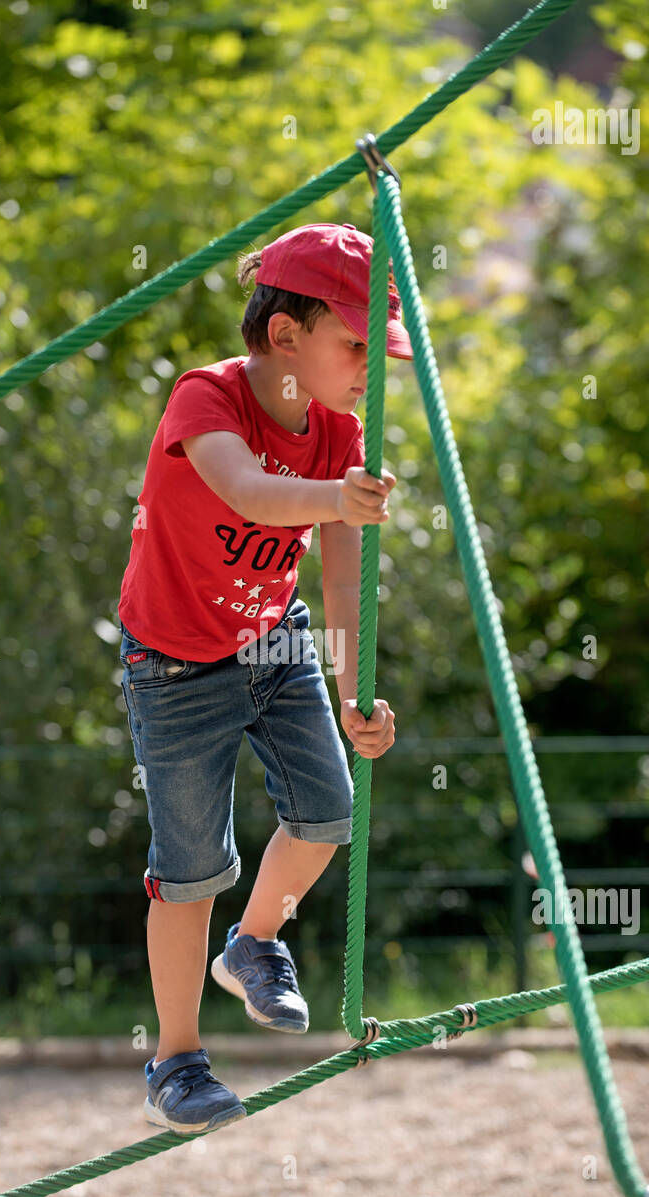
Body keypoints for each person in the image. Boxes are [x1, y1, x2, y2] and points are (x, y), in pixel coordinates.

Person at [117, 222, 413, 1134]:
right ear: (285, 336)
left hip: (272, 642)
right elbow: (244, 489)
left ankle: (254, 944)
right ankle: (175, 1060)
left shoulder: (339, 432)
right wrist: (333, 496)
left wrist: (356, 688)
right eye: (356, 345)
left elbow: (338, 575)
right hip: (172, 662)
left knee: (328, 812)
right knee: (190, 868)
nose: (372, 367)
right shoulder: (205, 399)